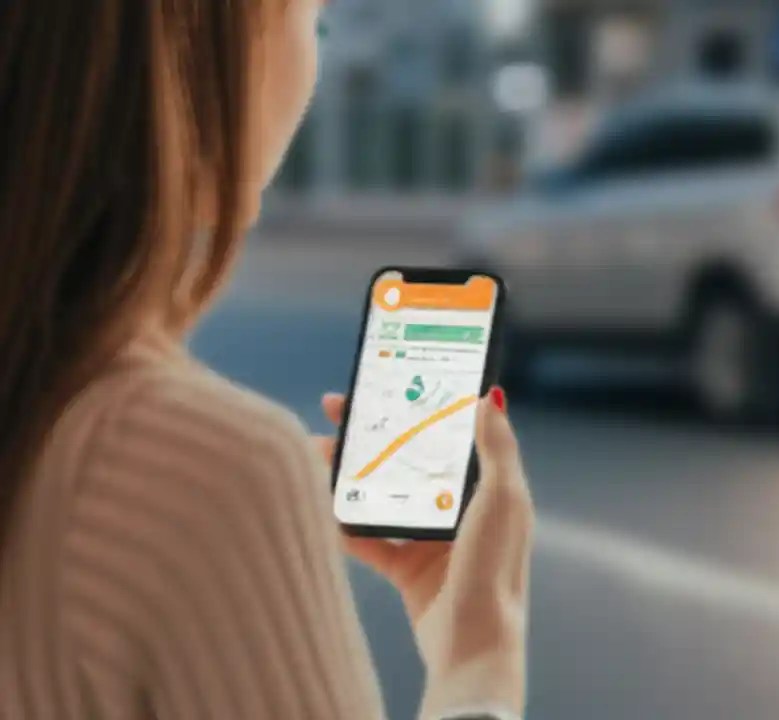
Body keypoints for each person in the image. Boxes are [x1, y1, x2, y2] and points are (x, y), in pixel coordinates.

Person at [0, 1, 535, 719]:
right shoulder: (209, 472)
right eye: (310, 19)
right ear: (202, 33)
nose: (311, 65)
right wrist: (478, 664)